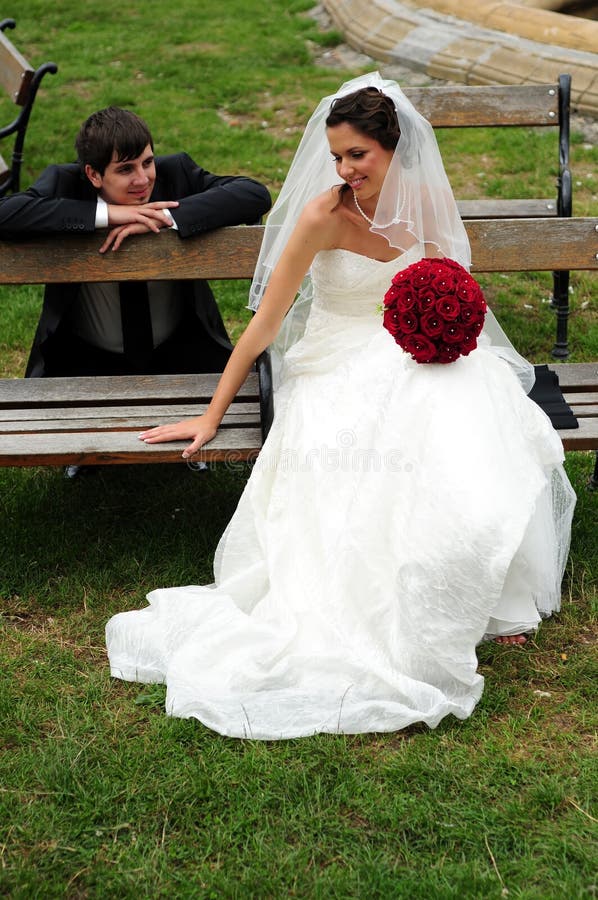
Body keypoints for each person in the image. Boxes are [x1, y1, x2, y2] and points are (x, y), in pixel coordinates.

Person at [105, 73, 576, 740]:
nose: (346, 169)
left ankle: (480, 578)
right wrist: (212, 414)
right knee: (388, 417)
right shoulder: (322, 216)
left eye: (359, 154)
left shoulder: (424, 204)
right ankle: (390, 597)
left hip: (409, 351)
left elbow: (450, 284)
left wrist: (443, 334)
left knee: (462, 397)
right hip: (333, 361)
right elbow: (265, 326)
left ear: (393, 150)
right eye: (337, 156)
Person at [0, 106, 272, 380]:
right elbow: (5, 212)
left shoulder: (175, 173)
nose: (142, 179)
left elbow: (254, 194)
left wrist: (164, 217)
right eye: (125, 169)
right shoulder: (66, 184)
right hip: (81, 360)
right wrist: (107, 215)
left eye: (147, 162)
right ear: (93, 175)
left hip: (182, 352)